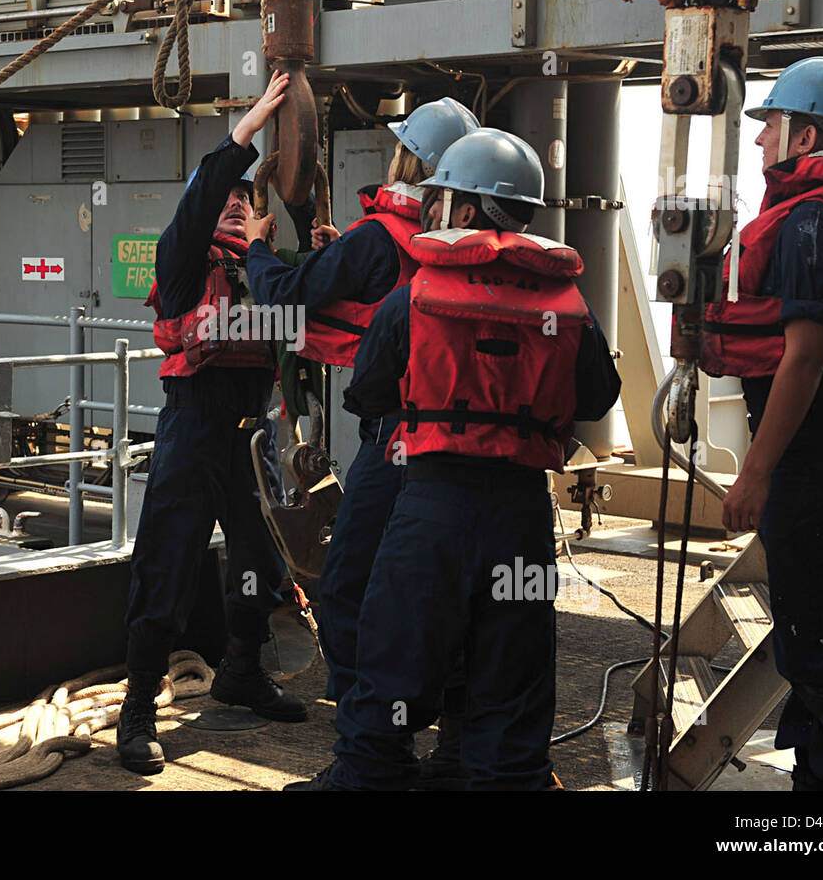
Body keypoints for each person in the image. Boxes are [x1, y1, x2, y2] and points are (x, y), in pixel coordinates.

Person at [288, 128, 621, 790]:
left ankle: (370, 777)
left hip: (431, 507)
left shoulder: (417, 296)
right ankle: (502, 776)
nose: (431, 209)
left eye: (439, 198)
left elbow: (368, 393)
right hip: (522, 515)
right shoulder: (568, 302)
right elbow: (598, 395)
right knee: (512, 667)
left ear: (466, 210)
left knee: (394, 653)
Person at [242, 97, 478, 784]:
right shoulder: (433, 245)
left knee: (346, 589)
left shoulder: (377, 240)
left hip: (393, 443)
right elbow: (374, 296)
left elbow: (285, 296)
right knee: (446, 594)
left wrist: (258, 245)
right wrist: (337, 256)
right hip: (449, 447)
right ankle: (456, 744)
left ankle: (371, 749)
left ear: (407, 162)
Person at [701, 56, 823, 792]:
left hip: (820, 472)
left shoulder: (812, 221)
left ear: (805, 133)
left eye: (771, 127)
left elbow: (807, 356)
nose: (759, 144)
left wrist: (755, 473)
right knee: (817, 651)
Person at [119, 71, 309, 775]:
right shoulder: (180, 265)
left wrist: (310, 246)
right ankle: (138, 707)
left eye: (244, 201)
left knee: (260, 563)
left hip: (248, 435)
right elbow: (201, 200)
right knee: (166, 566)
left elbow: (310, 305)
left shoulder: (264, 271)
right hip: (191, 429)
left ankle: (240, 672)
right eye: (226, 201)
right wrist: (246, 134)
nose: (234, 207)